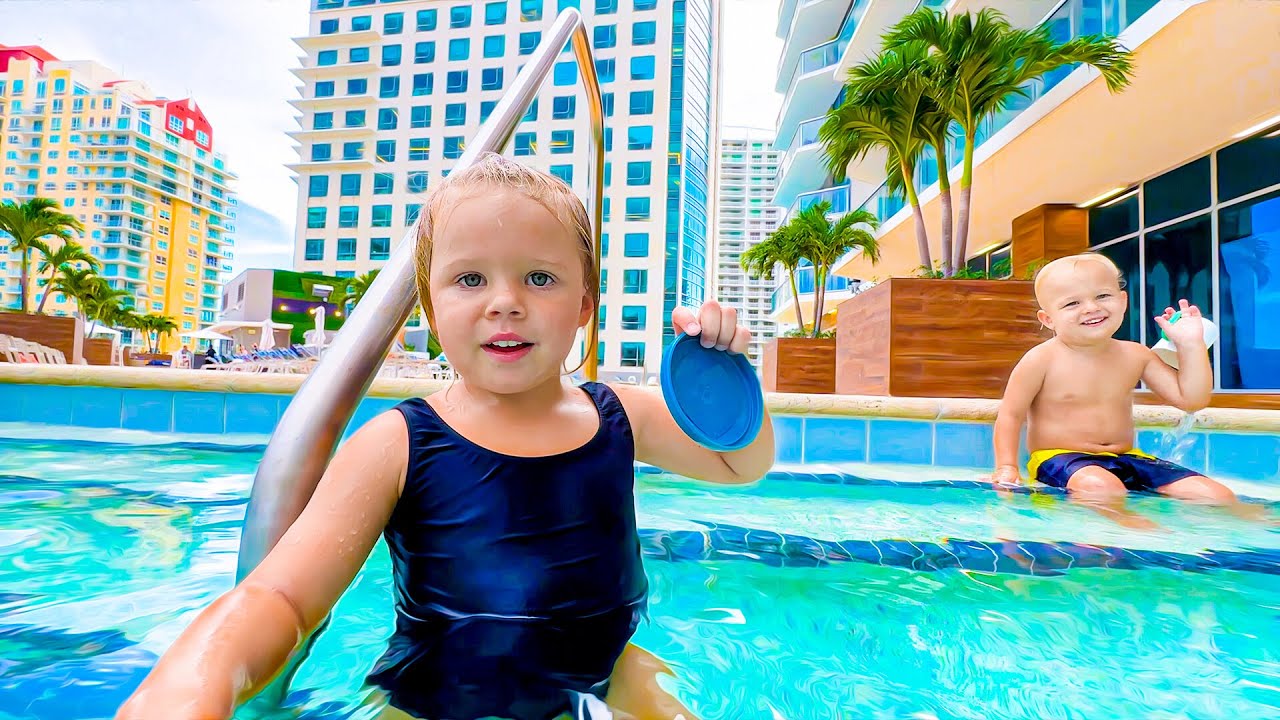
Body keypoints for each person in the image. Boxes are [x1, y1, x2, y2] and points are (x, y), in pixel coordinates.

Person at [116, 153, 775, 720]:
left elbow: (741, 465)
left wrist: (728, 379)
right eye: (470, 279)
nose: (504, 302)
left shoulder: (621, 415)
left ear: (585, 302)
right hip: (434, 694)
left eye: (539, 278)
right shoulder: (397, 443)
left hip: (606, 674)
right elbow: (283, 595)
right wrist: (199, 672)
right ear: (430, 310)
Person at [990, 252, 1256, 527]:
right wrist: (1007, 467)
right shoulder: (1041, 359)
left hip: (1127, 458)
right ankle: (1141, 533)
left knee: (1215, 495)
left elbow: (1191, 400)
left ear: (1123, 301)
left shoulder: (1136, 355)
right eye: (1072, 303)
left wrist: (1192, 345)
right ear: (1048, 319)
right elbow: (1011, 415)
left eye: (1103, 296)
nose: (1091, 308)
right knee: (1101, 487)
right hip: (1061, 458)